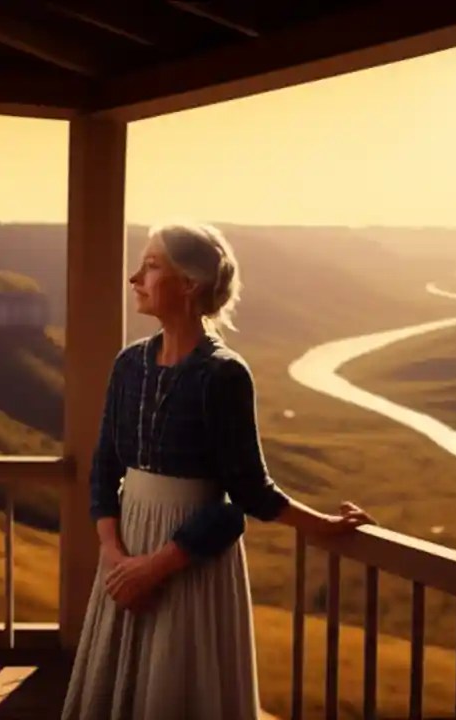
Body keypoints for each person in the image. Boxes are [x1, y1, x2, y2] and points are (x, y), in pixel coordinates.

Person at [61, 222, 376, 720]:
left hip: (188, 564)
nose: (133, 277)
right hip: (123, 557)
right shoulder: (127, 366)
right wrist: (115, 558)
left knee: (177, 686)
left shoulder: (224, 375)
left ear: (188, 284)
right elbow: (103, 469)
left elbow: (247, 494)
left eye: (151, 266)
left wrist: (327, 527)